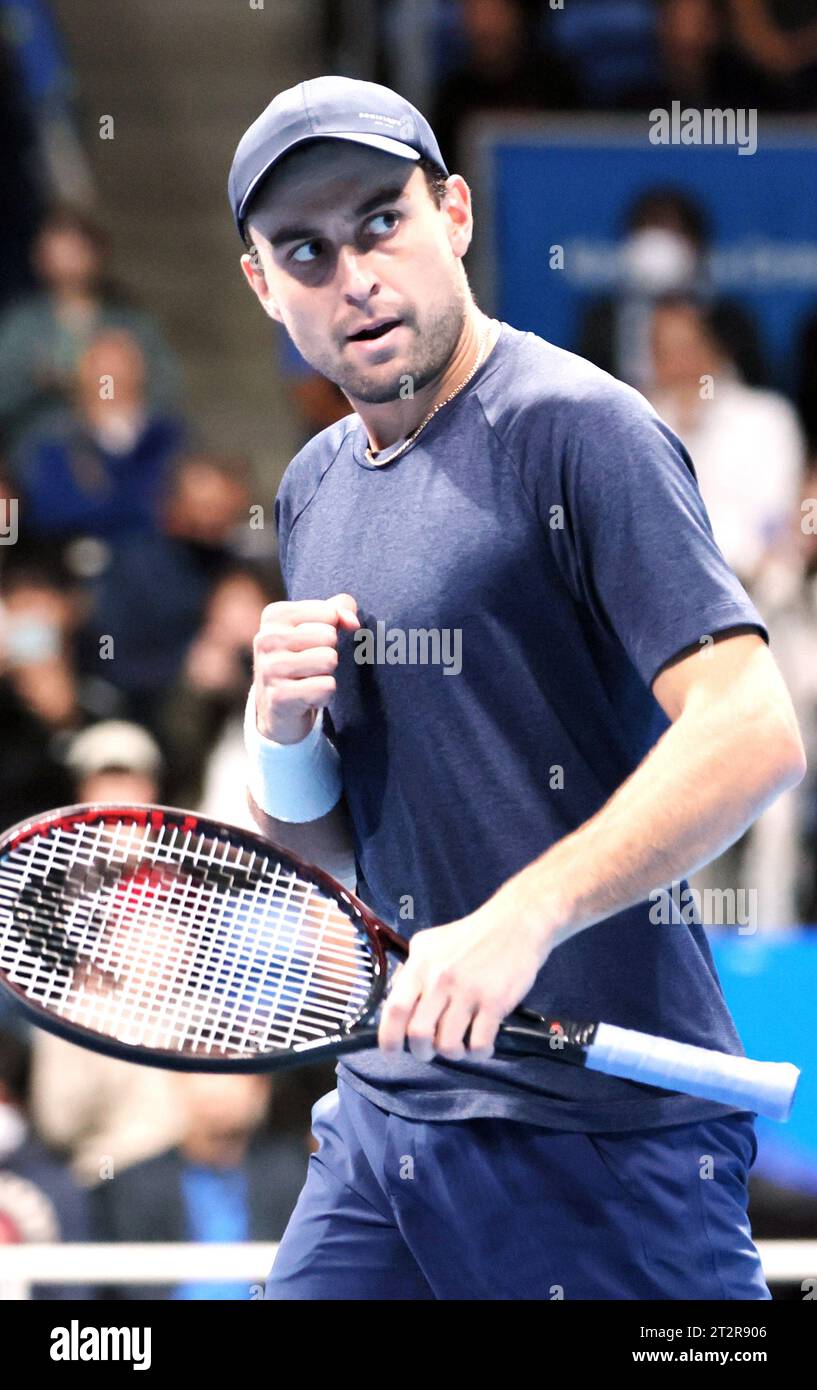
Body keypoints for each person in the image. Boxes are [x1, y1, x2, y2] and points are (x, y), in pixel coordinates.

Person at [227, 75, 805, 1300]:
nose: (355, 275)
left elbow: (754, 732)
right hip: (388, 1117)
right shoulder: (316, 490)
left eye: (380, 222)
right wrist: (279, 734)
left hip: (602, 1135)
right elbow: (330, 852)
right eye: (307, 252)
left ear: (455, 213)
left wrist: (522, 915)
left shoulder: (579, 429)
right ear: (263, 287)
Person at [91, 1074, 308, 1300]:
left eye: (234, 1072)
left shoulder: (300, 1176)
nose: (220, 1087)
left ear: (262, 1086)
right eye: (208, 1071)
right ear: (178, 1082)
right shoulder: (131, 1188)